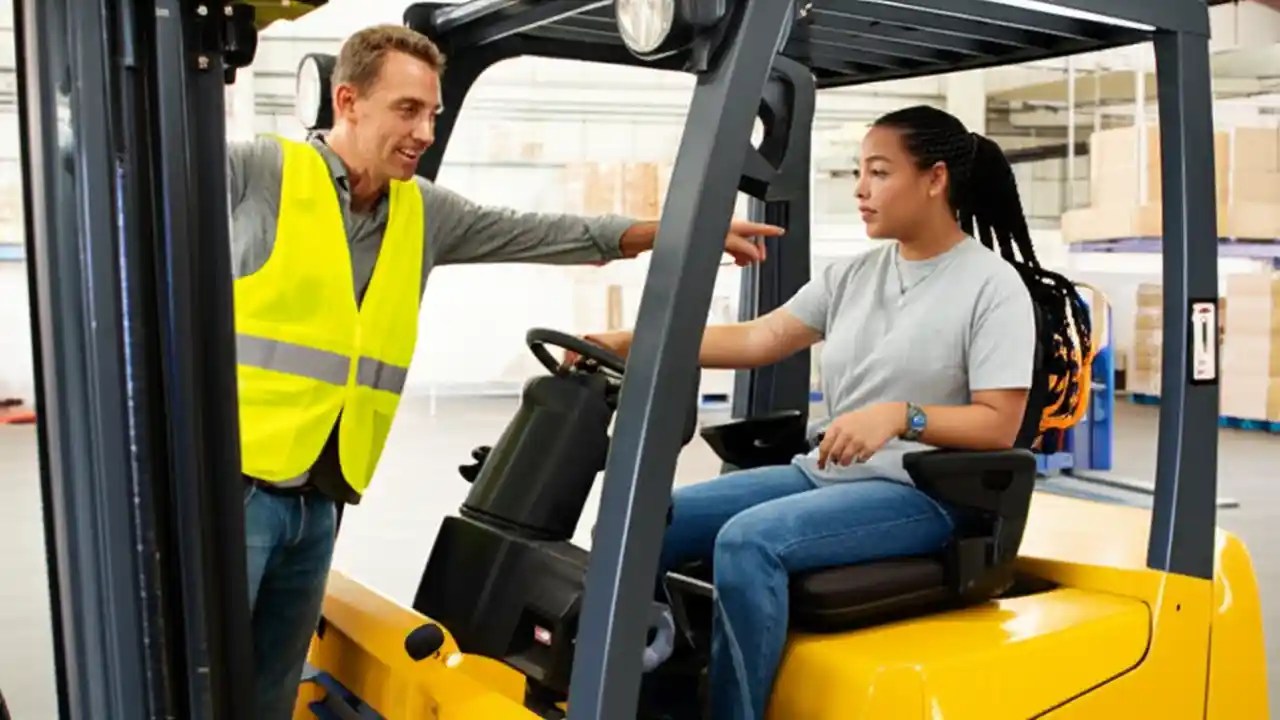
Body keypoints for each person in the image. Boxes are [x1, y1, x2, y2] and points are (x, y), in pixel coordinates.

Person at [227, 24, 782, 720]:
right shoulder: (257, 174)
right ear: (348, 101)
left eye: (432, 112)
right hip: (238, 486)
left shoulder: (420, 211)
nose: (425, 130)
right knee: (205, 670)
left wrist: (684, 232)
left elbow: (548, 232)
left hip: (322, 497)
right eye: (408, 109)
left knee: (272, 681)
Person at [580, 105, 1092, 720]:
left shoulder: (992, 286)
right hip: (827, 471)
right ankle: (647, 698)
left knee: (750, 542)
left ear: (934, 180)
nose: (860, 189)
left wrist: (903, 417)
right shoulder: (852, 275)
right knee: (645, 520)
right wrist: (622, 343)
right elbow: (758, 340)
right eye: (858, 172)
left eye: (879, 172)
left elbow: (998, 423)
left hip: (926, 490)